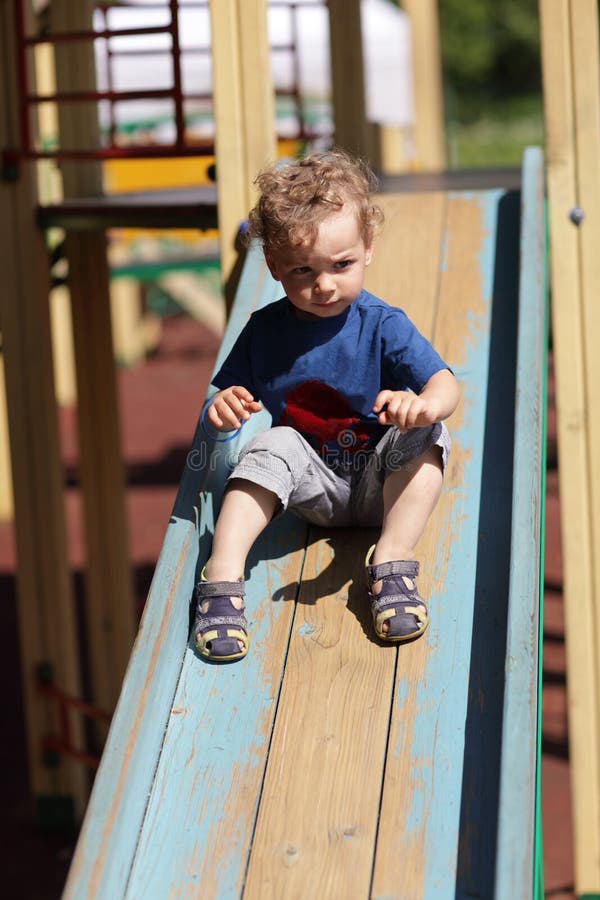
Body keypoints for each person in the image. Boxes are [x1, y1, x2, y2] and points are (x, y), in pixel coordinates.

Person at [194, 149, 460, 662]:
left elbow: (445, 385)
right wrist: (223, 405)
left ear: (368, 248)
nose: (324, 284)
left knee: (431, 436)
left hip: (380, 483)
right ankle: (223, 577)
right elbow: (222, 395)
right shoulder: (265, 331)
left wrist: (424, 406)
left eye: (342, 265)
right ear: (272, 265)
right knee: (271, 443)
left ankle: (392, 559)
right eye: (301, 270)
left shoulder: (383, 324)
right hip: (313, 486)